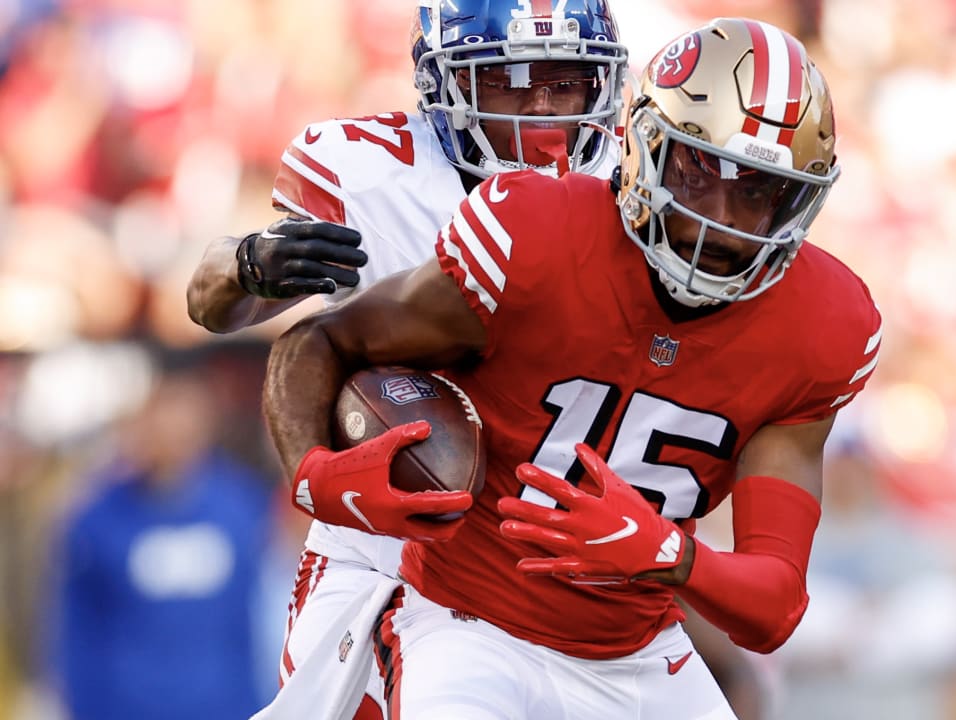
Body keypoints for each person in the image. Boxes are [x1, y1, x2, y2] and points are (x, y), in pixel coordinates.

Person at [262, 16, 882, 719]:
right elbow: (321, 340)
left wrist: (670, 554)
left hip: (638, 651)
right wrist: (313, 473)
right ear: (646, 146)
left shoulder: (823, 327)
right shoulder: (536, 232)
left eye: (759, 192)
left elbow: (771, 608)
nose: (722, 218)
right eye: (698, 170)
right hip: (466, 623)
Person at [49, 349, 273, 720]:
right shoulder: (94, 518)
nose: (173, 426)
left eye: (185, 410)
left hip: (224, 706)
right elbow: (76, 634)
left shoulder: (241, 508)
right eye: (162, 410)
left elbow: (254, 621)